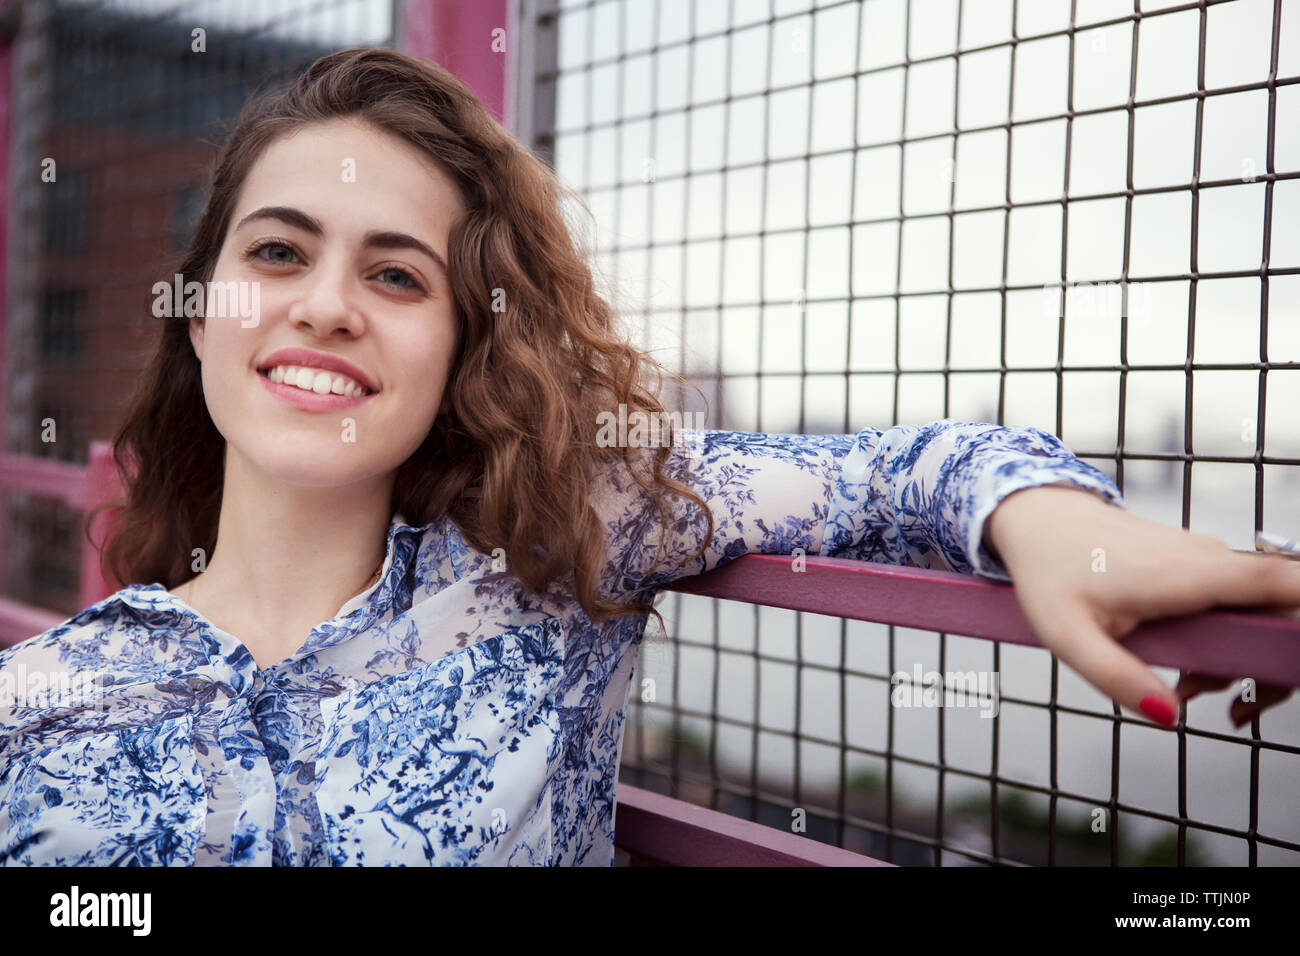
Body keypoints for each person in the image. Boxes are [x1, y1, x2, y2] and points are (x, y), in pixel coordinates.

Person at [0, 48, 1294, 867]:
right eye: (279, 252)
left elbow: (905, 473)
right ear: (204, 306)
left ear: (462, 345)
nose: (326, 304)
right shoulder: (37, 698)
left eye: (396, 275)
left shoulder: (553, 555)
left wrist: (1069, 533)